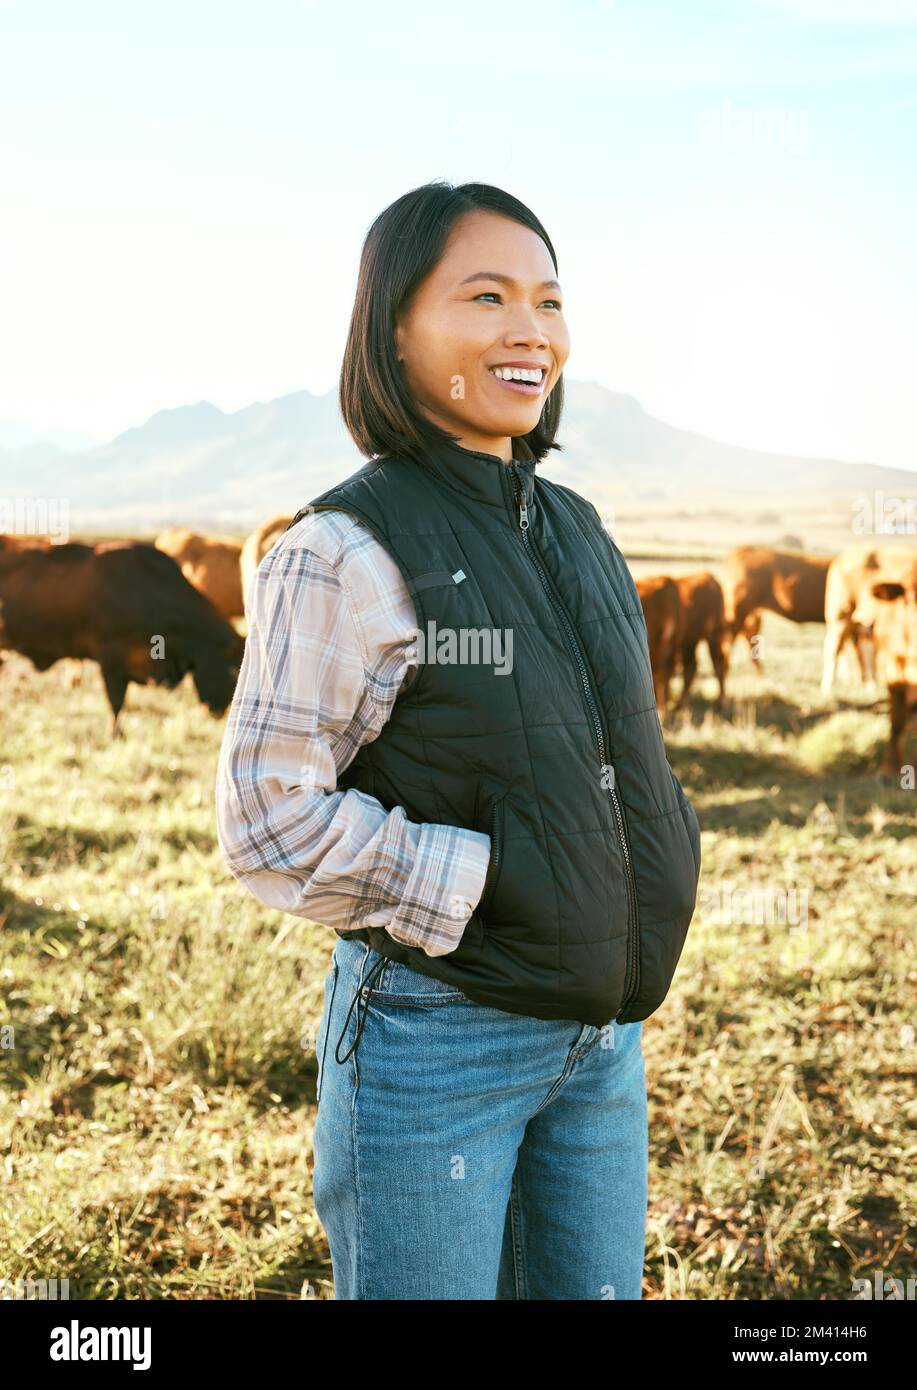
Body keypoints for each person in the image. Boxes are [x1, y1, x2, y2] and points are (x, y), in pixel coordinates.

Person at [215, 179, 701, 1300]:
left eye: (547, 299)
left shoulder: (575, 525)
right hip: (438, 1038)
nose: (529, 329)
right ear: (394, 329)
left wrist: (659, 843)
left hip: (600, 1041)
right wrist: (487, 880)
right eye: (486, 296)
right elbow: (266, 818)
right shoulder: (339, 547)